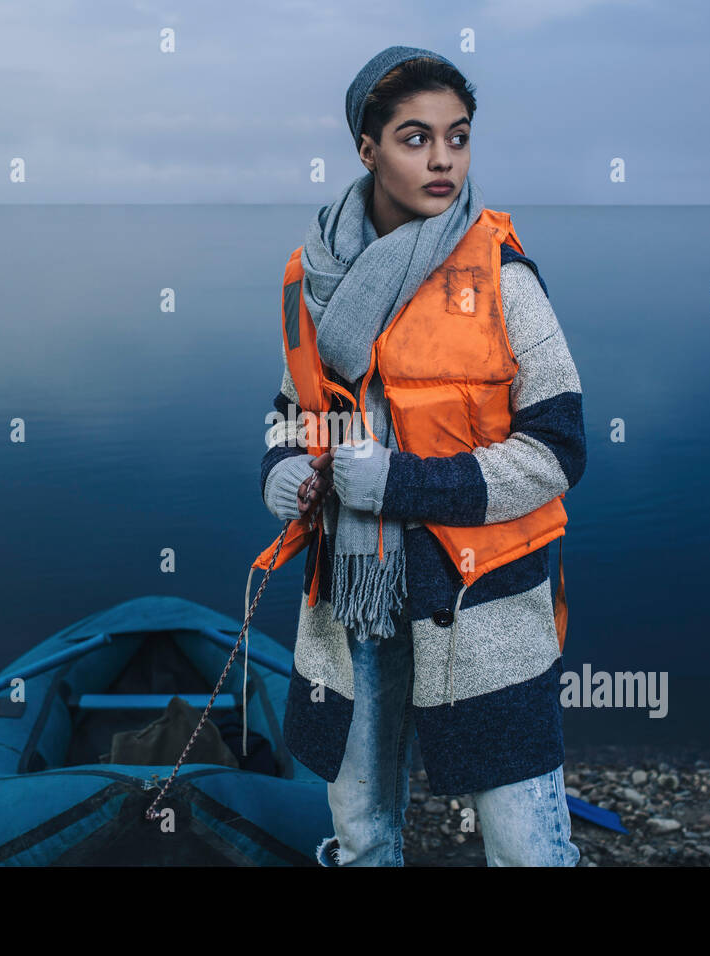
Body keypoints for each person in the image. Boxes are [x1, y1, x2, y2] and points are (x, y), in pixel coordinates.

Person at [259, 45, 587, 866]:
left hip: (484, 603)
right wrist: (281, 469)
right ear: (366, 149)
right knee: (364, 835)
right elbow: (291, 413)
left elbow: (559, 449)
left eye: (458, 136)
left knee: (528, 850)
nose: (442, 159)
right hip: (349, 598)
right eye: (415, 138)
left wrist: (400, 482)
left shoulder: (502, 275)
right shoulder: (312, 275)